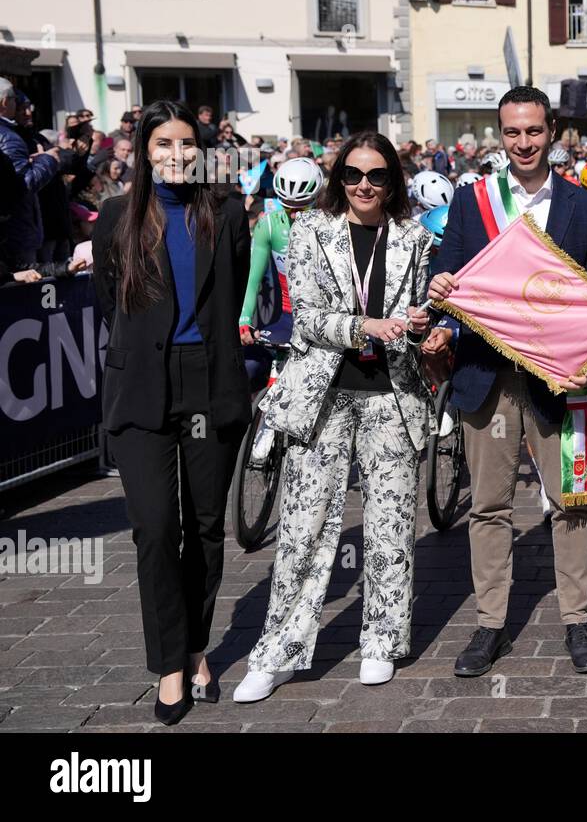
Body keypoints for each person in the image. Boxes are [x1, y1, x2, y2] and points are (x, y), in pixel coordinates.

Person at [234, 131, 433, 702]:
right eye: (353, 174)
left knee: (391, 524)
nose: (364, 185)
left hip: (392, 395)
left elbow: (414, 316)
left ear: (392, 181)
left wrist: (422, 325)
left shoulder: (414, 237)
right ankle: (277, 651)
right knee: (303, 528)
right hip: (322, 396)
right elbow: (308, 318)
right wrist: (362, 327)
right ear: (337, 178)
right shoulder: (311, 231)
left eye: (376, 176)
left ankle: (381, 642)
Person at [423, 86, 587, 678]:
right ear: (499, 135)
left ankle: (578, 621)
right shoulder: (473, 199)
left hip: (559, 379)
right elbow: (445, 265)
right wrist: (440, 287)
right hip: (486, 375)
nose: (523, 143)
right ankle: (490, 624)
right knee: (489, 505)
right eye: (512, 132)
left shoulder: (581, 206)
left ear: (551, 131)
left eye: (533, 131)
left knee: (573, 501)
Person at [91, 100, 251, 725]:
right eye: (163, 145)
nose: (177, 156)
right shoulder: (114, 220)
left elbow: (233, 294)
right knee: (157, 529)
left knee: (204, 527)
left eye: (187, 144)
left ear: (203, 149)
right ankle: (169, 666)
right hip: (141, 390)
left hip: (208, 383)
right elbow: (113, 302)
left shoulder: (228, 214)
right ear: (141, 151)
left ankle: (195, 647)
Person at [238, 157, 324, 388]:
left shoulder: (330, 225)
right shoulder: (268, 225)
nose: (295, 214)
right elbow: (252, 279)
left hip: (320, 316)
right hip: (284, 315)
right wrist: (244, 318)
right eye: (288, 206)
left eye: (302, 207)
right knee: (251, 371)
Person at [0, 78, 61, 264]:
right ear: (4, 102)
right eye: (16, 101)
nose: (23, 110)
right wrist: (48, 159)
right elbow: (25, 183)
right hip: (16, 233)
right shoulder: (9, 137)